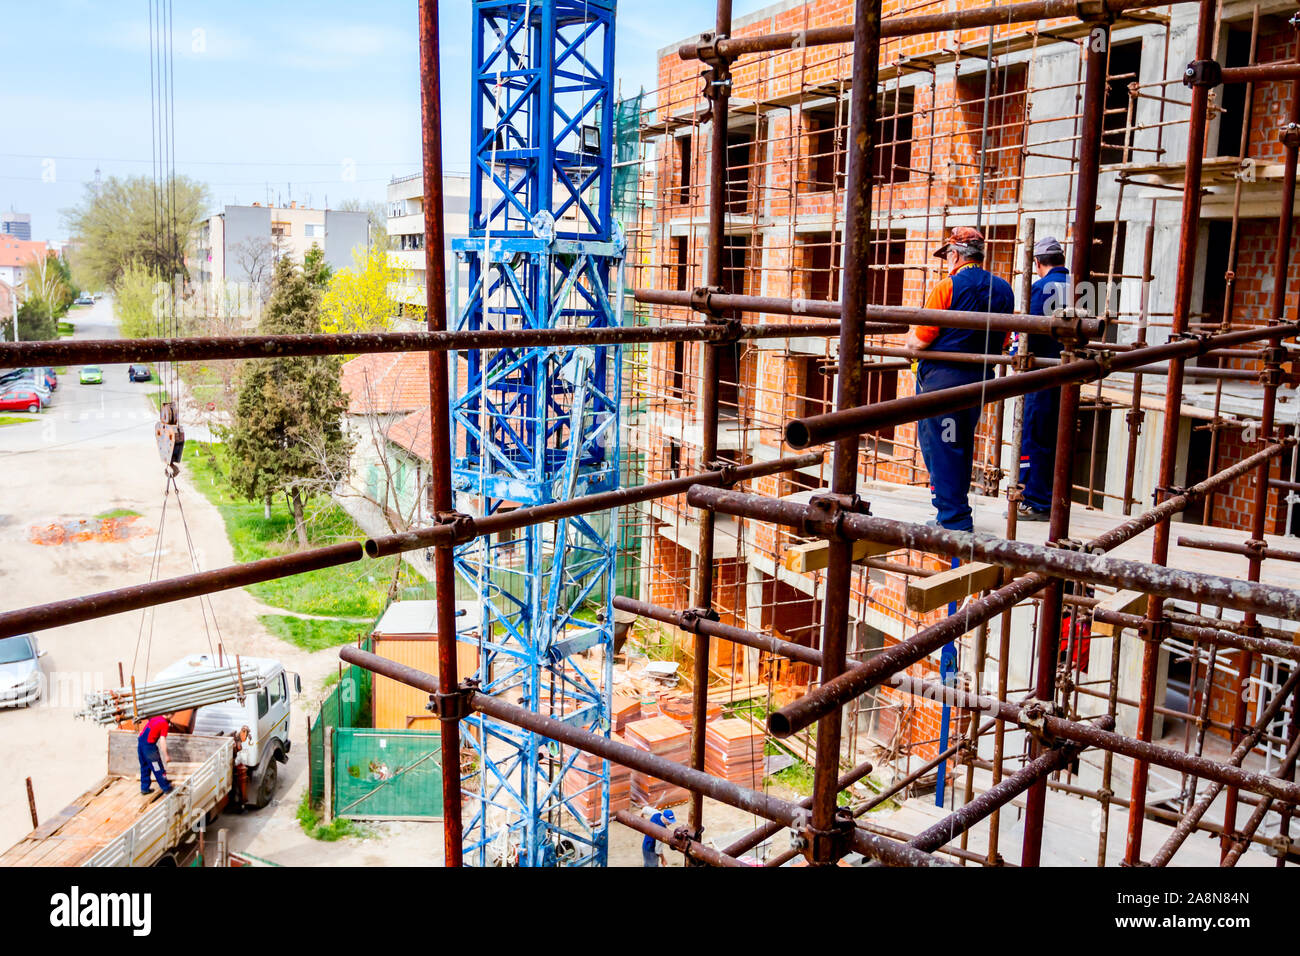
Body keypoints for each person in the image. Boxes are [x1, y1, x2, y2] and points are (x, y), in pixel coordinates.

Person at [906, 226, 1015, 531]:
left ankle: (953, 519)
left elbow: (923, 338)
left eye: (948, 255)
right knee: (958, 443)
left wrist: (908, 345)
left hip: (943, 387)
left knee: (942, 446)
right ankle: (950, 510)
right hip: (979, 383)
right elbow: (1005, 342)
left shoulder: (948, 287)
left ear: (954, 254)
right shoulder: (1004, 289)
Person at [1015, 235, 1071, 521]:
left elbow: (1027, 334)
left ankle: (1037, 502)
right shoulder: (1083, 286)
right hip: (1070, 375)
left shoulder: (1040, 288)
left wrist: (1015, 354)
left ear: (1037, 263)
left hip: (1042, 375)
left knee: (1036, 436)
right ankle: (1055, 498)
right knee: (1058, 437)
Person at [138, 711, 175, 796]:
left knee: (144, 766)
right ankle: (167, 788)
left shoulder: (155, 716)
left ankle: (144, 788)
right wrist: (166, 755)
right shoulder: (164, 724)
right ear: (172, 715)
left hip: (141, 743)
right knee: (158, 768)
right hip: (149, 747)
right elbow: (162, 741)